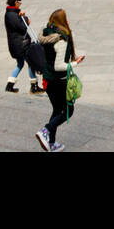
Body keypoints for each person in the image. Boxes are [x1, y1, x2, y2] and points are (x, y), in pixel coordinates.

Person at [35, 9, 84, 151]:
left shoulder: (46, 33)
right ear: (63, 21)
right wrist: (76, 63)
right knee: (68, 110)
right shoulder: (61, 40)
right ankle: (46, 130)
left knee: (57, 110)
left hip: (48, 79)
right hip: (58, 80)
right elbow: (59, 66)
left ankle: (51, 143)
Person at [4, 0, 42, 93]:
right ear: (15, 2)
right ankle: (34, 86)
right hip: (21, 45)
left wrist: (22, 16)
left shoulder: (11, 13)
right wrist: (25, 18)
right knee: (30, 63)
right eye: (19, 2)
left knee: (20, 64)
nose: (20, 4)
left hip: (16, 45)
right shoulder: (11, 15)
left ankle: (9, 85)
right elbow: (22, 27)